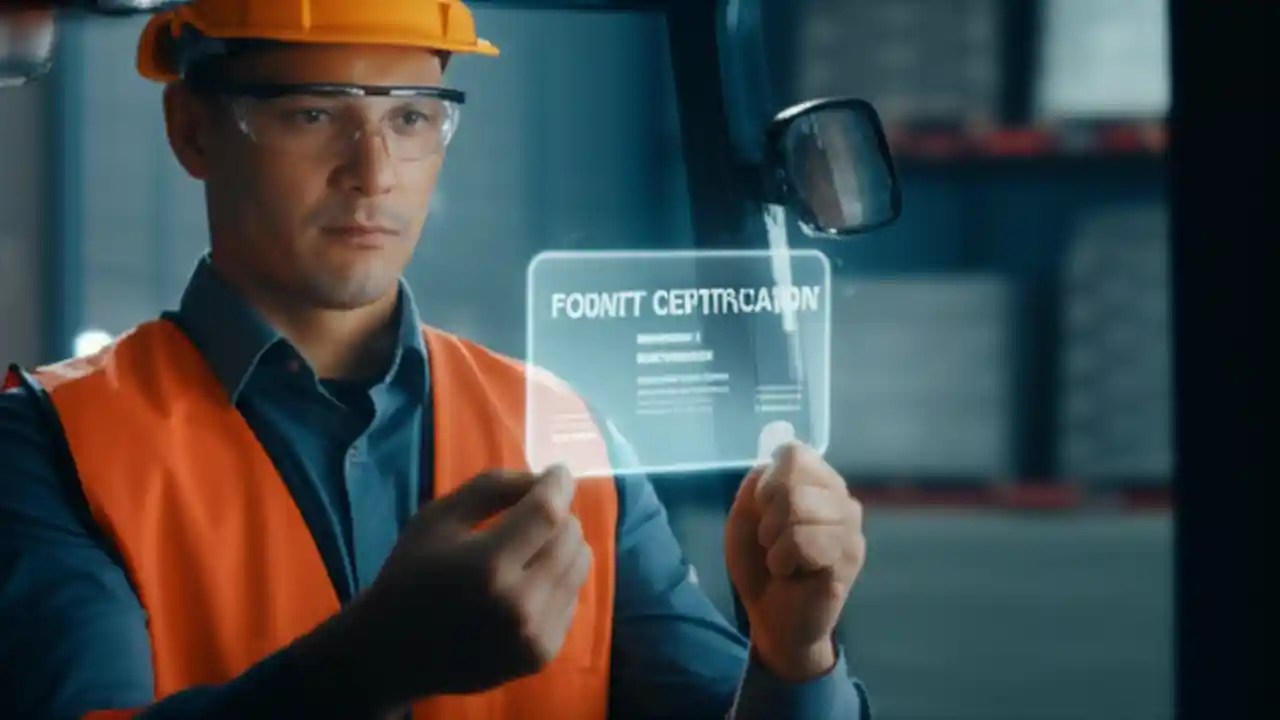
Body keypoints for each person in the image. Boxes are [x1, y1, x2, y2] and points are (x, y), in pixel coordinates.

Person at [0, 2, 870, 718]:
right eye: (314, 112)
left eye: (410, 117)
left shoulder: (563, 429)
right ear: (192, 131)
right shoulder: (45, 442)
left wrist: (795, 657)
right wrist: (370, 667)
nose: (372, 173)